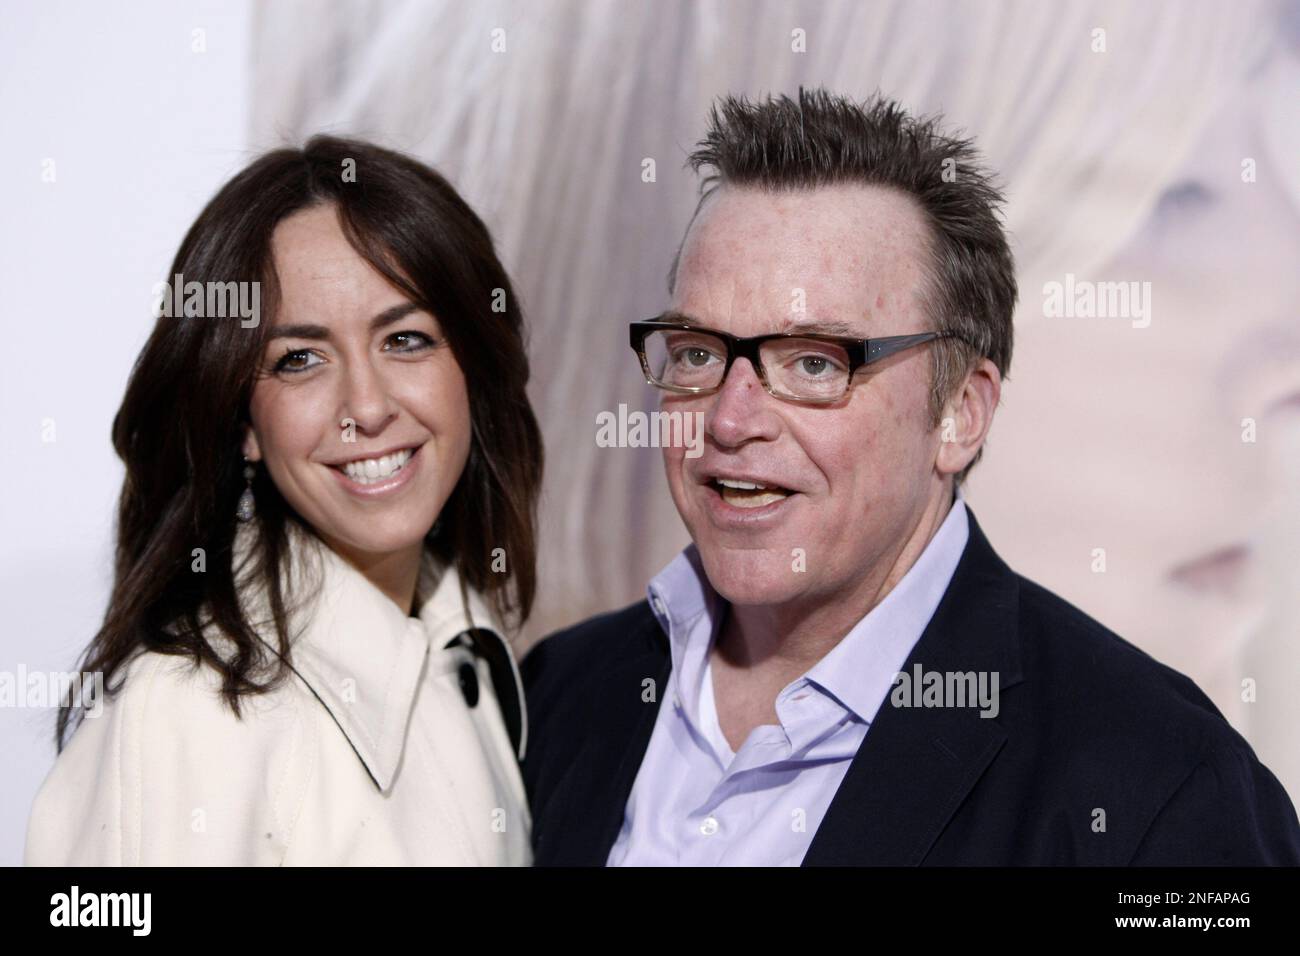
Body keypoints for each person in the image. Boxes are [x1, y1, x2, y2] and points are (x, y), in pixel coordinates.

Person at [520, 89, 1300, 866]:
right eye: (696, 353)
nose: (729, 420)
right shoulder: (561, 692)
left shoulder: (1159, 787)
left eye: (815, 363)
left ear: (961, 413)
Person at [25, 135, 542, 865]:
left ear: (472, 371)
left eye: (406, 339)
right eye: (300, 359)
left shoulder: (467, 656)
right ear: (243, 424)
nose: (366, 405)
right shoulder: (185, 710)